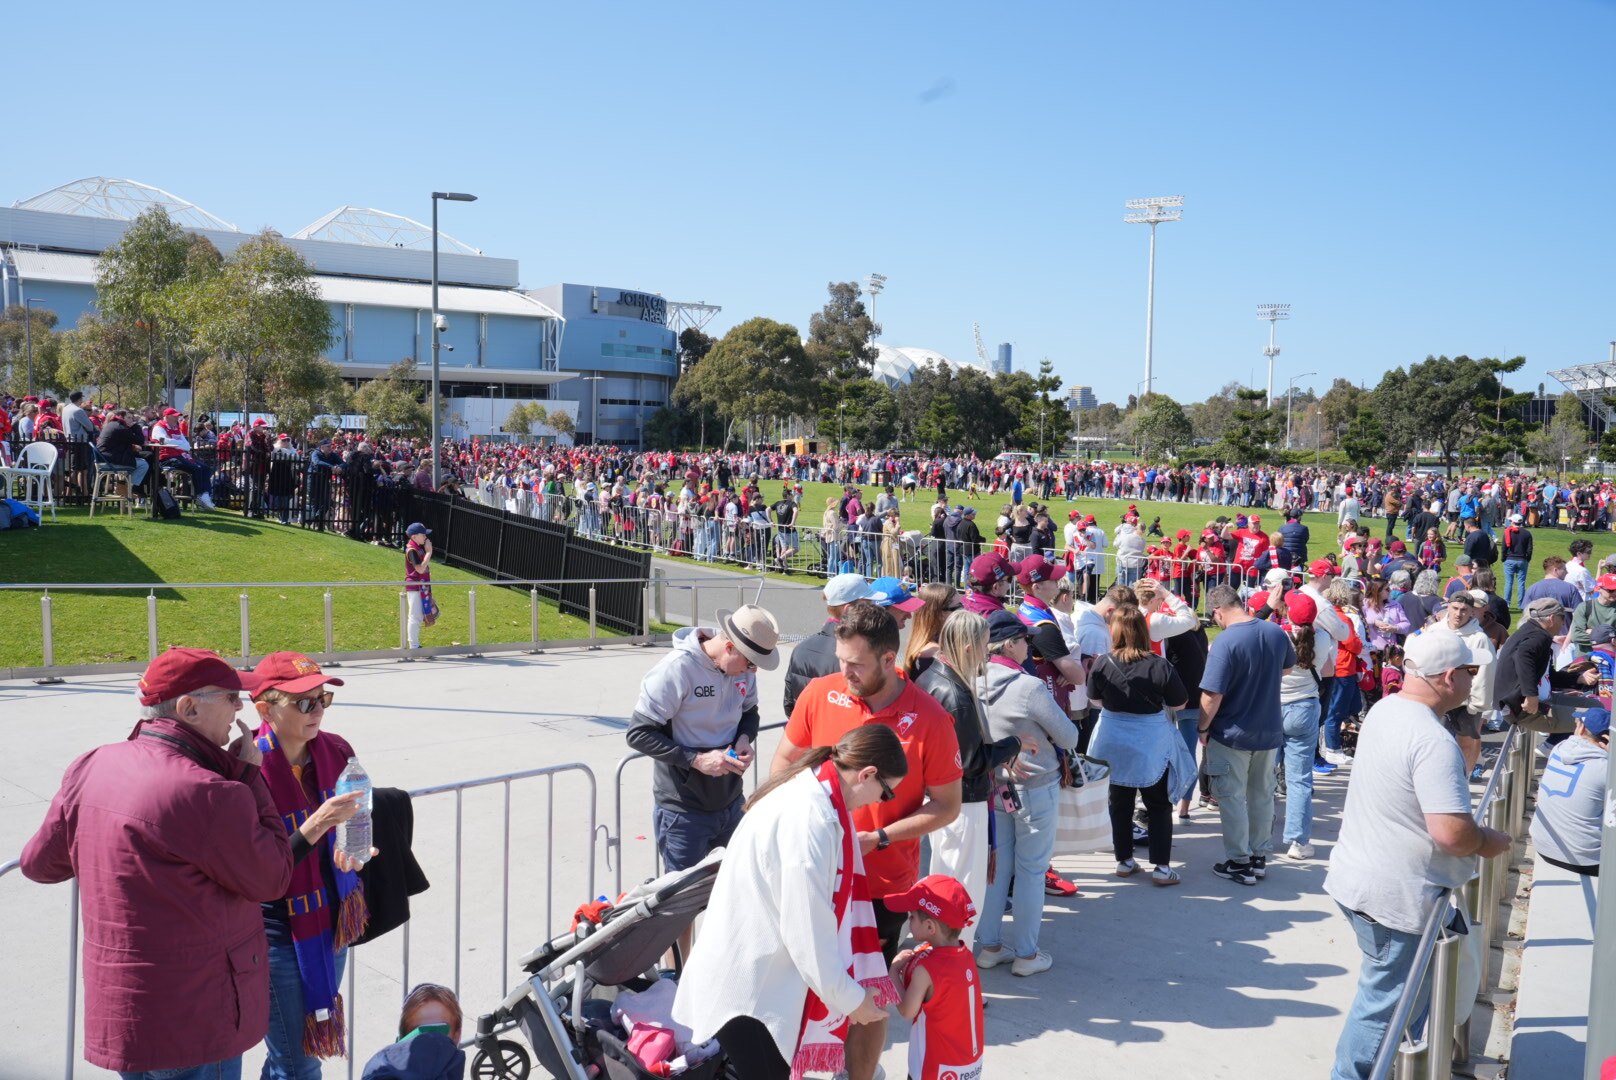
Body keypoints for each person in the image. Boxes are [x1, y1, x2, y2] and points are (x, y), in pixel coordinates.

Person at [20, 647, 294, 1079]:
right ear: (188, 707)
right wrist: (249, 777)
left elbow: (38, 865)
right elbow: (274, 875)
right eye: (229, 698)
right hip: (200, 1016)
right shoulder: (210, 792)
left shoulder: (92, 764)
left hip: (127, 1010)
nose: (239, 708)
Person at [774, 602, 962, 1080]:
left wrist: (876, 839)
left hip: (881, 885)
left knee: (870, 995)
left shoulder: (931, 718)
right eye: (841, 660)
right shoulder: (820, 694)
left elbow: (946, 805)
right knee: (801, 983)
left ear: (888, 659)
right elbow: (782, 768)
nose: (844, 672)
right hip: (814, 875)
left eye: (855, 664)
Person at [1324, 629, 1513, 1080]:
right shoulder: (1432, 740)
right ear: (1449, 677)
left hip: (1362, 880)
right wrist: (1488, 841)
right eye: (1470, 671)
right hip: (1397, 899)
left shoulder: (1386, 710)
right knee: (1385, 1015)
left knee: (1388, 1002)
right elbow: (1450, 833)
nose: (1473, 679)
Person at [674, 725, 904, 1080]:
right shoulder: (810, 820)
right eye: (885, 793)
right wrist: (851, 1000)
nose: (879, 803)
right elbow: (807, 931)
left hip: (756, 982)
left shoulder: (810, 794)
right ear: (867, 773)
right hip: (751, 994)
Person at [250, 652, 373, 1079]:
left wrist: (357, 851)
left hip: (332, 921)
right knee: (297, 1061)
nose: (317, 709)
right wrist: (317, 823)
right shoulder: (244, 765)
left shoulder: (338, 750)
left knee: (291, 1059)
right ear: (265, 708)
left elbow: (357, 825)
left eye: (322, 698)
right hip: (278, 931)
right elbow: (257, 867)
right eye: (303, 702)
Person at [629, 605, 777, 880]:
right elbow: (638, 734)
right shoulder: (676, 669)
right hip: (684, 810)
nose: (753, 671)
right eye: (750, 662)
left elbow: (749, 712)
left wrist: (744, 738)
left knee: (743, 886)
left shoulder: (741, 670)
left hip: (731, 802)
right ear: (730, 646)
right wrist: (697, 760)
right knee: (680, 904)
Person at [974, 610, 1079, 974]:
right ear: (1012, 644)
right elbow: (1069, 735)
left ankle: (988, 945)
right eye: (1024, 640)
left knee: (997, 870)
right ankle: (1026, 954)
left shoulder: (973, 680)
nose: (1028, 646)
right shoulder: (1027, 686)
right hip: (1034, 784)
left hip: (995, 782)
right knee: (1031, 871)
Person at [916, 611, 1024, 947]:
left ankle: (938, 962)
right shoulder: (955, 693)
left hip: (938, 796)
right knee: (961, 887)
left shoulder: (930, 677)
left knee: (941, 880)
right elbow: (972, 761)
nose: (987, 654)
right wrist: (1014, 743)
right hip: (962, 803)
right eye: (982, 646)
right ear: (966, 647)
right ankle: (951, 965)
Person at [1087, 606, 1194, 885]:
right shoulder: (1159, 664)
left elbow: (1094, 700)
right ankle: (1161, 867)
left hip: (1112, 738)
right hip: (1149, 741)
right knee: (1158, 804)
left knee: (1119, 802)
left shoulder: (1102, 662)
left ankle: (1124, 860)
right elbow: (1179, 703)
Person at [1199, 584, 1297, 886]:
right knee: (1261, 796)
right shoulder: (1275, 633)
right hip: (1268, 730)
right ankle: (1258, 856)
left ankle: (1239, 862)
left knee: (1231, 797)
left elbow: (1211, 695)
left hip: (1232, 734)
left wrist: (1202, 728)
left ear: (1218, 611)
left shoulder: (1226, 641)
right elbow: (1288, 668)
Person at [886, 876, 986, 1080]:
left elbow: (906, 1010)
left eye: (912, 917)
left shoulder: (927, 969)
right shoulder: (965, 955)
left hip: (934, 1068)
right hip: (968, 1067)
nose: (909, 921)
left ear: (930, 927)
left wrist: (894, 972)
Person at [1529, 706, 1609, 876]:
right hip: (1587, 859)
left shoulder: (1559, 748)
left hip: (1544, 846)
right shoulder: (1606, 768)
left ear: (1580, 729)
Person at [1494, 597, 1599, 718]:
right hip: (1525, 707)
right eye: (1562, 618)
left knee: (1595, 706)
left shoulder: (1532, 632)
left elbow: (1549, 675)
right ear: (1552, 619)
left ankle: (1558, 736)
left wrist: (1579, 678)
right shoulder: (1539, 636)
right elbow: (1523, 655)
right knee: (1597, 716)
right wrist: (1531, 695)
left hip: (1537, 700)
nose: (1564, 623)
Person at [787, 574, 876, 715]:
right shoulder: (859, 654)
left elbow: (790, 706)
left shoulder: (800, 649)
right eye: (869, 604)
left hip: (809, 733)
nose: (874, 609)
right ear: (848, 610)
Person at [1430, 592, 1498, 773]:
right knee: (1436, 741)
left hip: (1467, 700)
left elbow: (1485, 673)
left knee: (1466, 741)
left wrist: (1478, 704)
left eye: (1464, 610)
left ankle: (1464, 779)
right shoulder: (1434, 631)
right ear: (1448, 608)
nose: (1458, 614)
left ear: (1472, 613)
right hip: (1439, 696)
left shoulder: (1479, 638)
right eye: (1455, 608)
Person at [361, 984, 465, 1080]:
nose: (429, 1043)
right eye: (420, 1034)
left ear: (457, 1036)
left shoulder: (380, 1065)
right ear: (402, 1040)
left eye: (439, 1032)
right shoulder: (383, 1070)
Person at [403, 523, 435, 652]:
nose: (425, 537)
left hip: (421, 585)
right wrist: (429, 552)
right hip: (415, 586)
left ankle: (415, 645)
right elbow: (420, 569)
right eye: (423, 535)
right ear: (414, 536)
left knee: (421, 614)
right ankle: (414, 646)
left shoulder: (418, 547)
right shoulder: (412, 550)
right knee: (415, 616)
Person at [1570, 572, 1616, 656]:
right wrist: (1608, 638)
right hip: (1586, 660)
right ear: (1598, 588)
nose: (1615, 593)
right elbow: (1576, 635)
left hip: (1611, 660)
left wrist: (1593, 632)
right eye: (1611, 590)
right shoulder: (1585, 607)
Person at [1500, 513, 1534, 608]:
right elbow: (1530, 549)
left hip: (1510, 559)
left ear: (1513, 522)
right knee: (1521, 583)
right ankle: (1521, 604)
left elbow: (1503, 547)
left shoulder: (1508, 532)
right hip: (1522, 560)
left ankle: (1507, 603)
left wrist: (1503, 558)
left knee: (1508, 582)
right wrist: (1527, 559)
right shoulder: (1527, 533)